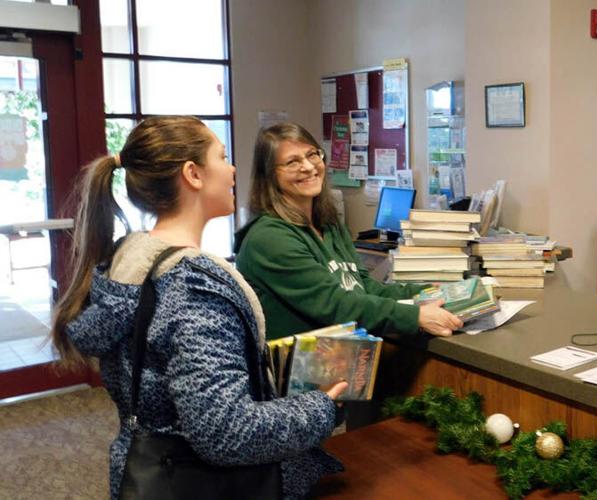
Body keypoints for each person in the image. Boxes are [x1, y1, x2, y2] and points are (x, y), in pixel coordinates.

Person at [51, 116, 347, 499]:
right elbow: (227, 432)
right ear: (193, 174)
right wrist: (321, 406)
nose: (233, 169)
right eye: (222, 157)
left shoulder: (131, 265)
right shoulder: (194, 290)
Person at [234, 123, 462, 340]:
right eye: (292, 162)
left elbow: (363, 287)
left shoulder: (328, 224)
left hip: (344, 363)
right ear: (270, 175)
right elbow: (335, 305)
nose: (309, 167)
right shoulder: (269, 239)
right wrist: (415, 317)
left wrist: (427, 292)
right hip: (302, 375)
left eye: (312, 155)